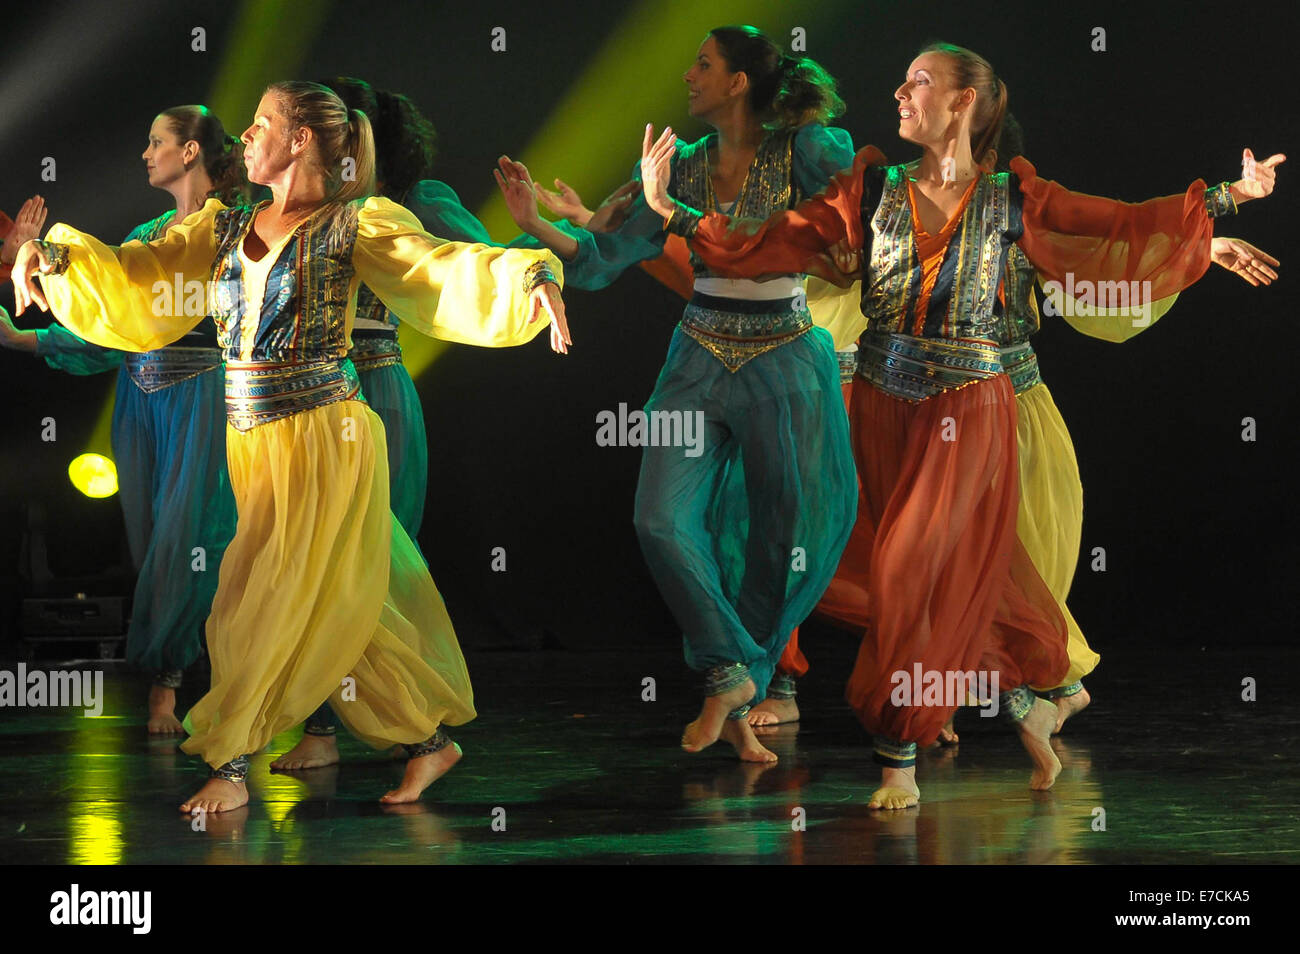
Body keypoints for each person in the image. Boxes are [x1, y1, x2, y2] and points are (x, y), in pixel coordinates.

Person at [642, 42, 1282, 806]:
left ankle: (899, 758)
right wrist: (674, 213)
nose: (900, 92)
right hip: (881, 399)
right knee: (915, 573)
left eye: (919, 81)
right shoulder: (870, 188)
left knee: (915, 567)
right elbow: (775, 242)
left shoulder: (1018, 201)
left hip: (974, 407)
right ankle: (1025, 702)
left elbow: (1116, 227)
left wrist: (1226, 200)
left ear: (965, 103)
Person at [12, 81, 570, 813]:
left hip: (326, 437)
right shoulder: (223, 222)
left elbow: (441, 267)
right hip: (252, 439)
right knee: (345, 601)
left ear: (300, 139)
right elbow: (143, 278)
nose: (244, 137)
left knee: (256, 594)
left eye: (260, 124)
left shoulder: (354, 223)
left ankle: (233, 763)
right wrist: (53, 261)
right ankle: (429, 744)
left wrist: (531, 277)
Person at [496, 25, 857, 763]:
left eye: (703, 64)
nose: (688, 75)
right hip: (697, 355)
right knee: (660, 519)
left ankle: (741, 679)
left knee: (788, 537)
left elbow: (808, 236)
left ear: (739, 83)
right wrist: (537, 225)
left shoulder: (808, 150)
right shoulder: (682, 166)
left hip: (785, 356)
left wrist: (674, 211)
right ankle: (732, 670)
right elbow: (601, 261)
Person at [0, 108, 244, 734]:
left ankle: (167, 681)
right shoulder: (149, 231)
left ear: (191, 152)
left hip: (202, 392)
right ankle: (182, 669)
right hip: (141, 395)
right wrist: (25, 326)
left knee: (188, 540)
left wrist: (51, 253)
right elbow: (110, 326)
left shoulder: (232, 227)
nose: (145, 152)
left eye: (156, 141)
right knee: (152, 539)